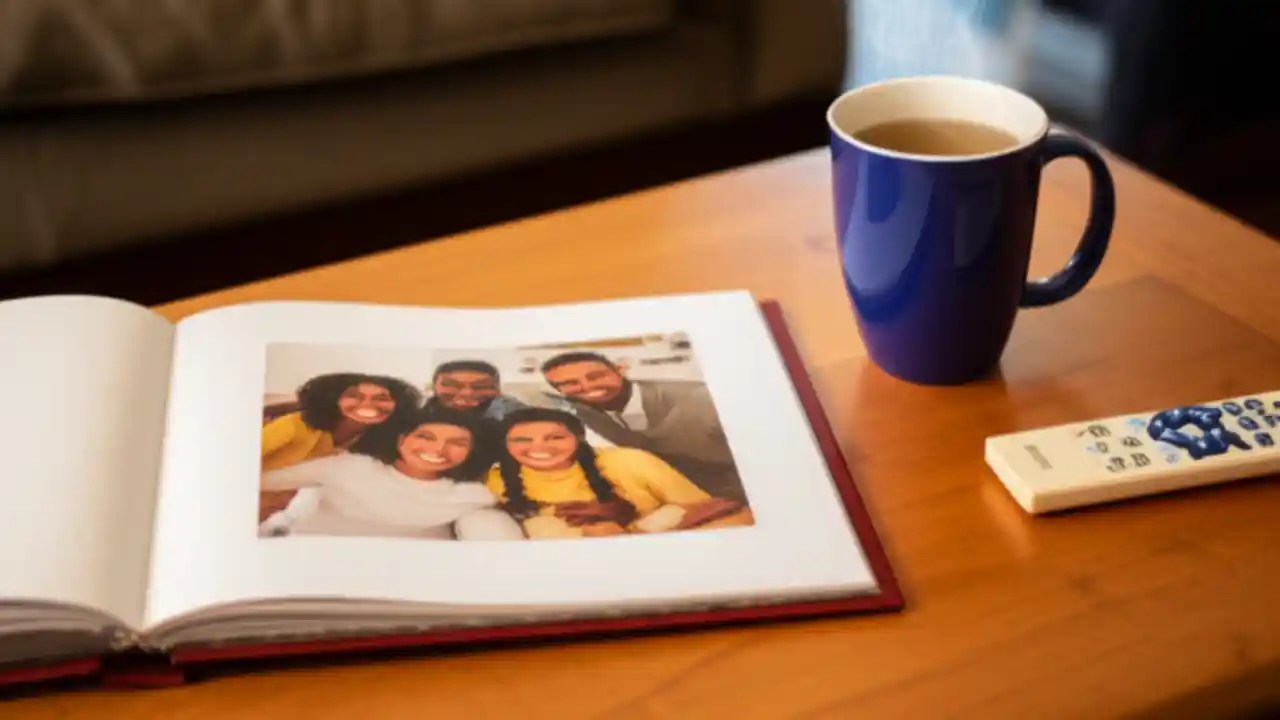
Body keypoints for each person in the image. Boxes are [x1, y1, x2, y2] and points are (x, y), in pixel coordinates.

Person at [259, 406, 523, 540]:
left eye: (458, 443)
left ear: (470, 452)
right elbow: (260, 480)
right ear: (401, 441)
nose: (439, 449)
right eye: (425, 437)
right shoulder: (349, 466)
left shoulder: (475, 493)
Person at [485, 408, 750, 539]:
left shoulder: (630, 461)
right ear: (505, 445)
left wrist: (634, 522)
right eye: (522, 440)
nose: (539, 448)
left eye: (555, 437)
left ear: (579, 438)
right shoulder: (494, 480)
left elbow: (715, 508)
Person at [539, 351, 747, 503]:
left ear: (620, 370)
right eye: (569, 383)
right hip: (671, 490)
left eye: (596, 376)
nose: (587, 387)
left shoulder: (700, 399)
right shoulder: (582, 411)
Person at [260, 373, 422, 521]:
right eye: (354, 396)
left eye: (382, 398)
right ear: (334, 399)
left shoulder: (379, 442)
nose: (368, 404)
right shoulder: (295, 425)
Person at [426, 360, 527, 422]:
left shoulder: (516, 415)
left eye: (481, 386)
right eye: (453, 385)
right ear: (434, 387)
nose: (467, 393)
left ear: (498, 390)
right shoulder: (416, 415)